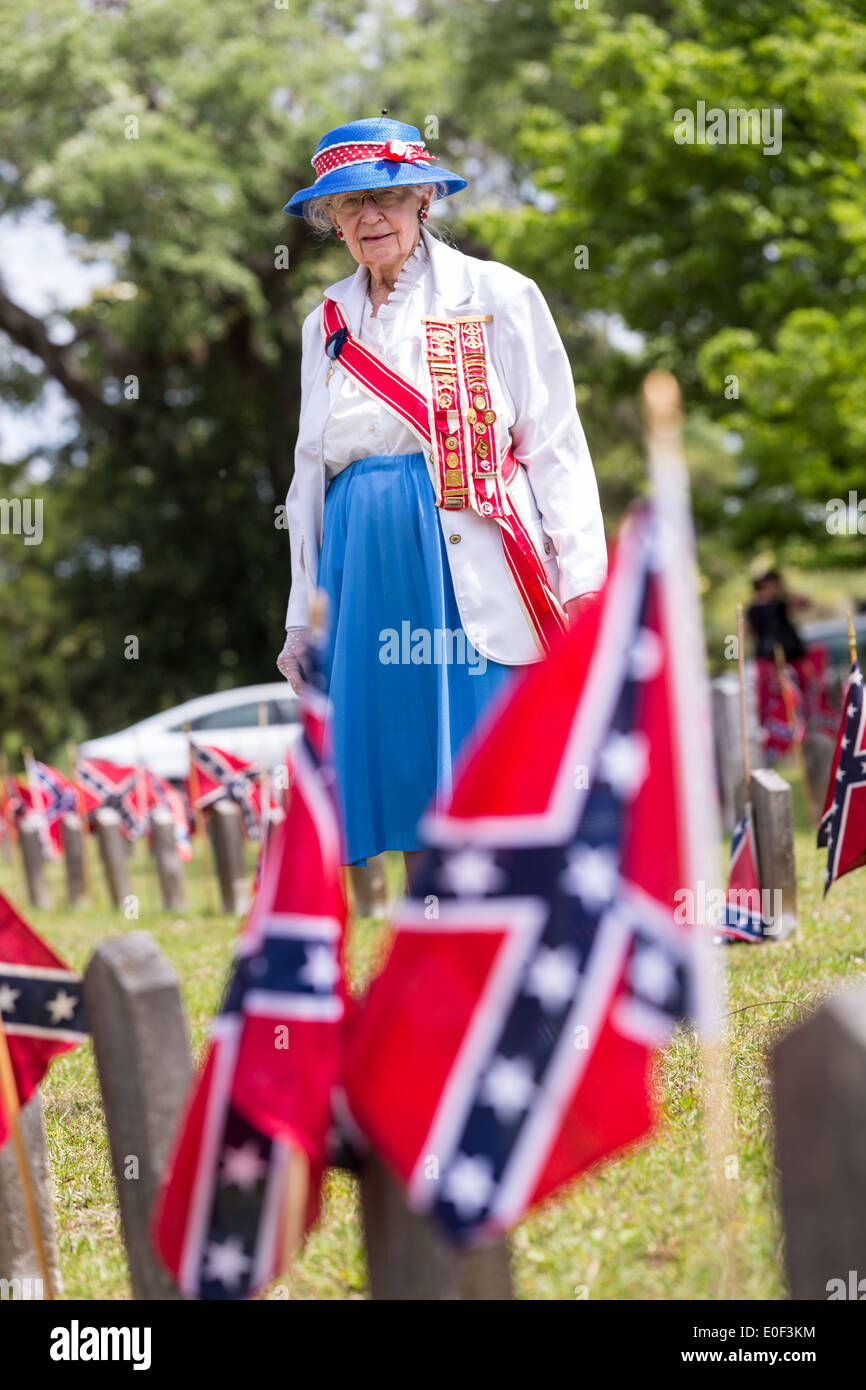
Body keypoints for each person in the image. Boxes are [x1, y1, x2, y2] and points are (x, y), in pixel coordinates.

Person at [277, 115, 607, 876]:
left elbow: (554, 441)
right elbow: (307, 476)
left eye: (386, 197)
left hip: (470, 545)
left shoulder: (498, 293)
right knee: (397, 756)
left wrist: (583, 578)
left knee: (483, 746)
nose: (369, 218)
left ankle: (511, 930)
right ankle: (434, 940)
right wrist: (302, 617)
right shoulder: (321, 321)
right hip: (361, 558)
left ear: (424, 197)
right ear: (330, 221)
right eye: (348, 206)